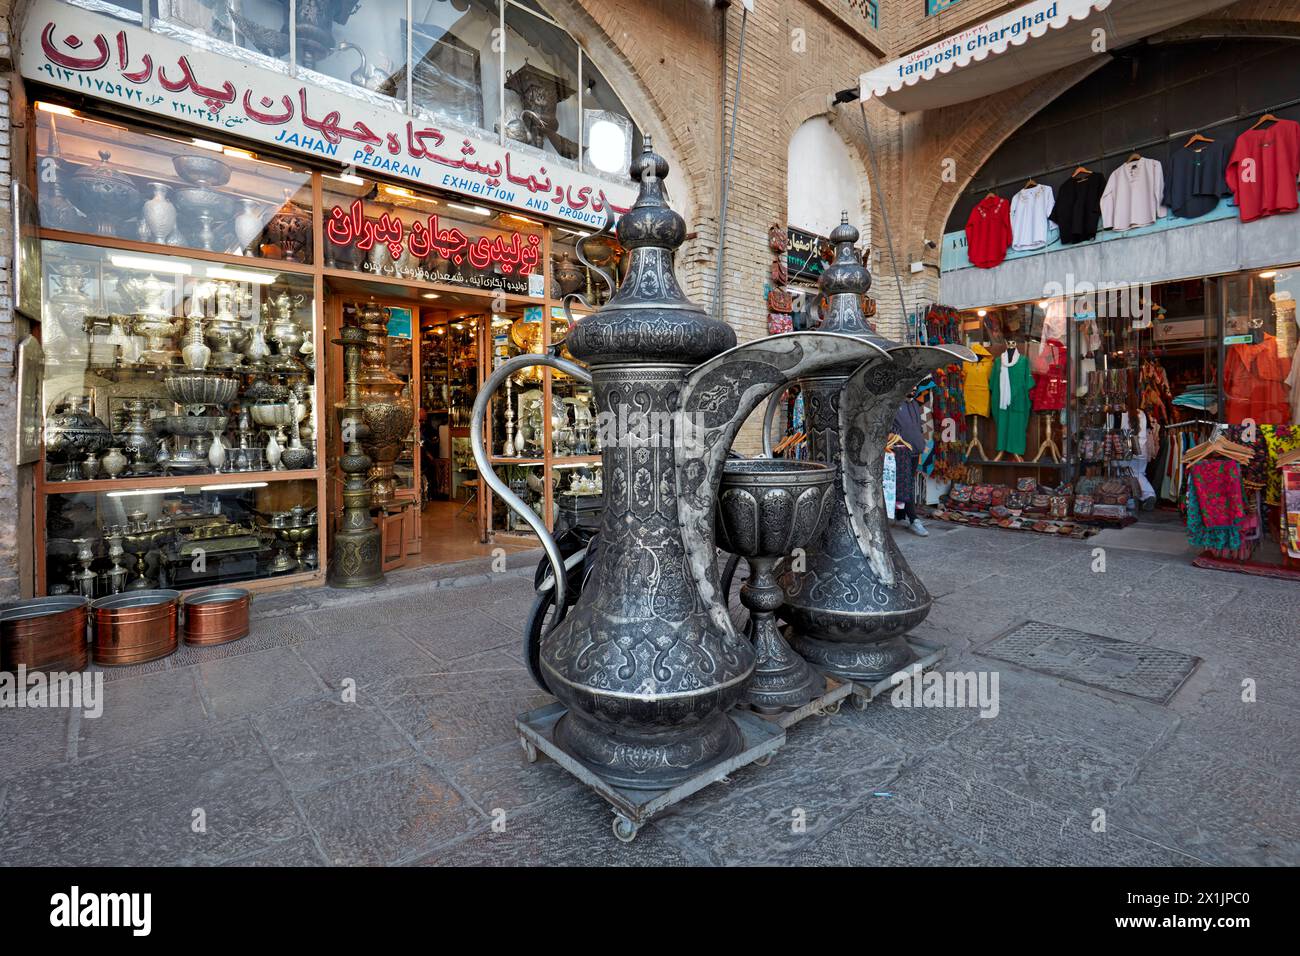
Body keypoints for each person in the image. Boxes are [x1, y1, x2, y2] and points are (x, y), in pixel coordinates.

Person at [891, 384, 929, 536]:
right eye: (911, 385)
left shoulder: (913, 403)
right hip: (900, 450)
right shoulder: (893, 403)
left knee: (907, 483)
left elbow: (917, 426)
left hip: (914, 450)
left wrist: (921, 443)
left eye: (915, 386)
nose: (913, 388)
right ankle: (914, 520)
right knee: (906, 485)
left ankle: (900, 516)